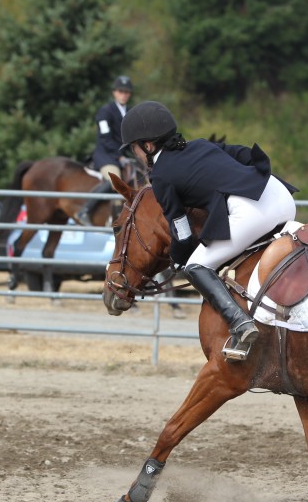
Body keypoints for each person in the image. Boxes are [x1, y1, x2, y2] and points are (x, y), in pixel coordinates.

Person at [120, 100, 298, 361]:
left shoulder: (161, 176)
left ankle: (240, 324)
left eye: (134, 148)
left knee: (197, 267)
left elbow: (180, 229)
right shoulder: (200, 144)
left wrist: (180, 260)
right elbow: (241, 154)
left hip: (255, 209)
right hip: (279, 193)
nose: (134, 154)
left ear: (147, 146)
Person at [89, 75, 133, 181]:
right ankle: (92, 198)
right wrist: (120, 157)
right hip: (107, 157)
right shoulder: (105, 112)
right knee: (115, 181)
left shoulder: (131, 112)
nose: (123, 95)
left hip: (124, 157)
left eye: (126, 92)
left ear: (130, 94)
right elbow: (105, 139)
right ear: (114, 92)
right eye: (120, 91)